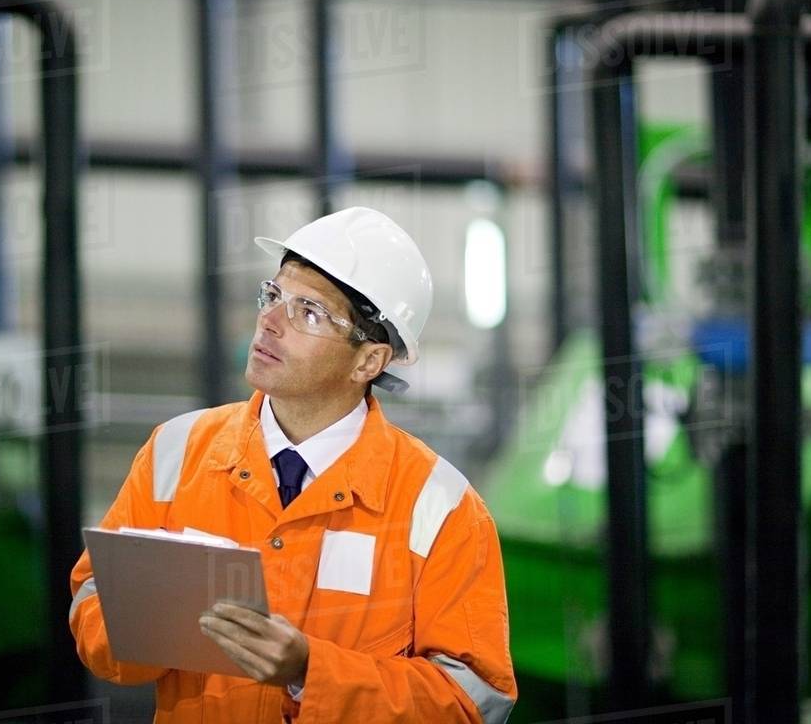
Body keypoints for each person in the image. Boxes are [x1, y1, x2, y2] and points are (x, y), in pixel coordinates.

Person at [69, 206, 516, 722]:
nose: (270, 321)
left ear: (369, 360)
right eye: (273, 295)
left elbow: (472, 704)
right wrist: (159, 617)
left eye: (308, 312)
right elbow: (92, 602)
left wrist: (311, 671)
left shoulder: (440, 507)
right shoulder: (177, 452)